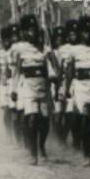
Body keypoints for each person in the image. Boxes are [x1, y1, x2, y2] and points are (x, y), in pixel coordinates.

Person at [9, 13, 55, 164]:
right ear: (23, 32)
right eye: (28, 30)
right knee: (32, 118)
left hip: (43, 85)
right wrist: (14, 89)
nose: (32, 32)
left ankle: (41, 145)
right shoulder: (18, 48)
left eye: (33, 29)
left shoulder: (44, 48)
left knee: (45, 122)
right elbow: (15, 70)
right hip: (27, 86)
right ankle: (33, 152)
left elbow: (51, 70)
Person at [64, 18, 90, 165]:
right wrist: (66, 88)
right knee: (85, 119)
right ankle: (86, 151)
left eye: (88, 32)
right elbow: (69, 71)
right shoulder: (73, 51)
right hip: (80, 87)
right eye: (83, 32)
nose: (86, 35)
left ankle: (87, 147)